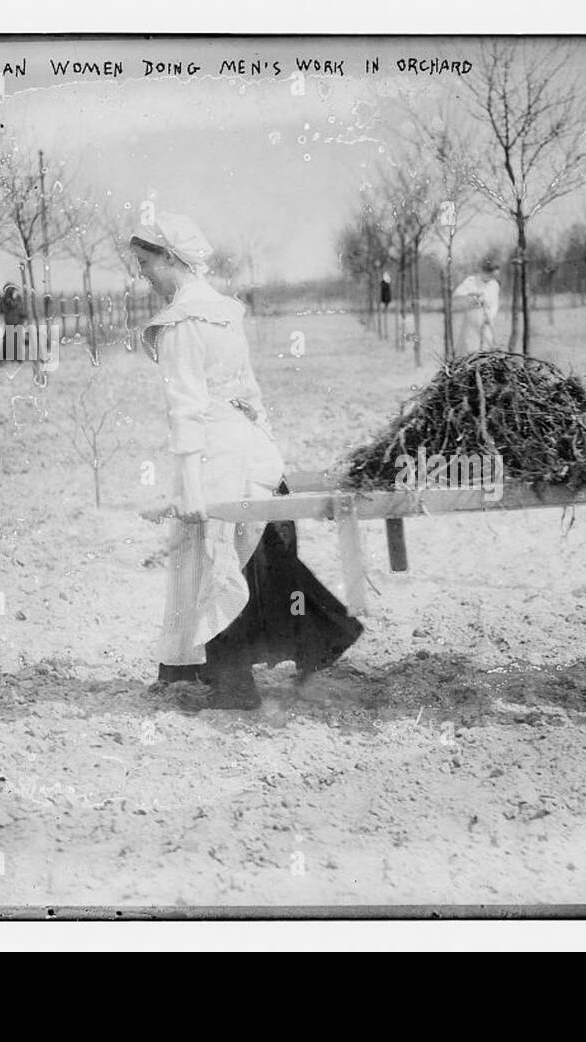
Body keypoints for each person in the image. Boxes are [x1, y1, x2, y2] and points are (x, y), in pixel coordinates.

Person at [132, 212, 362, 710]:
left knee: (219, 562)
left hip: (215, 453)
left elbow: (186, 410)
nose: (142, 273)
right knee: (252, 558)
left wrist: (190, 483)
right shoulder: (224, 312)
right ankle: (313, 642)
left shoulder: (181, 324)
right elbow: (251, 394)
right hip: (248, 448)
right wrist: (268, 451)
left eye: (146, 262)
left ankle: (234, 686)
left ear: (171, 258)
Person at [453, 257, 500, 352]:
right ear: (482, 271)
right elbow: (457, 295)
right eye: (487, 272)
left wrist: (490, 316)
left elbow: (495, 304)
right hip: (471, 319)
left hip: (486, 321)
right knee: (470, 347)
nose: (489, 276)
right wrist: (473, 297)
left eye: (492, 274)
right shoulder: (471, 281)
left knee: (488, 347)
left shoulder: (494, 285)